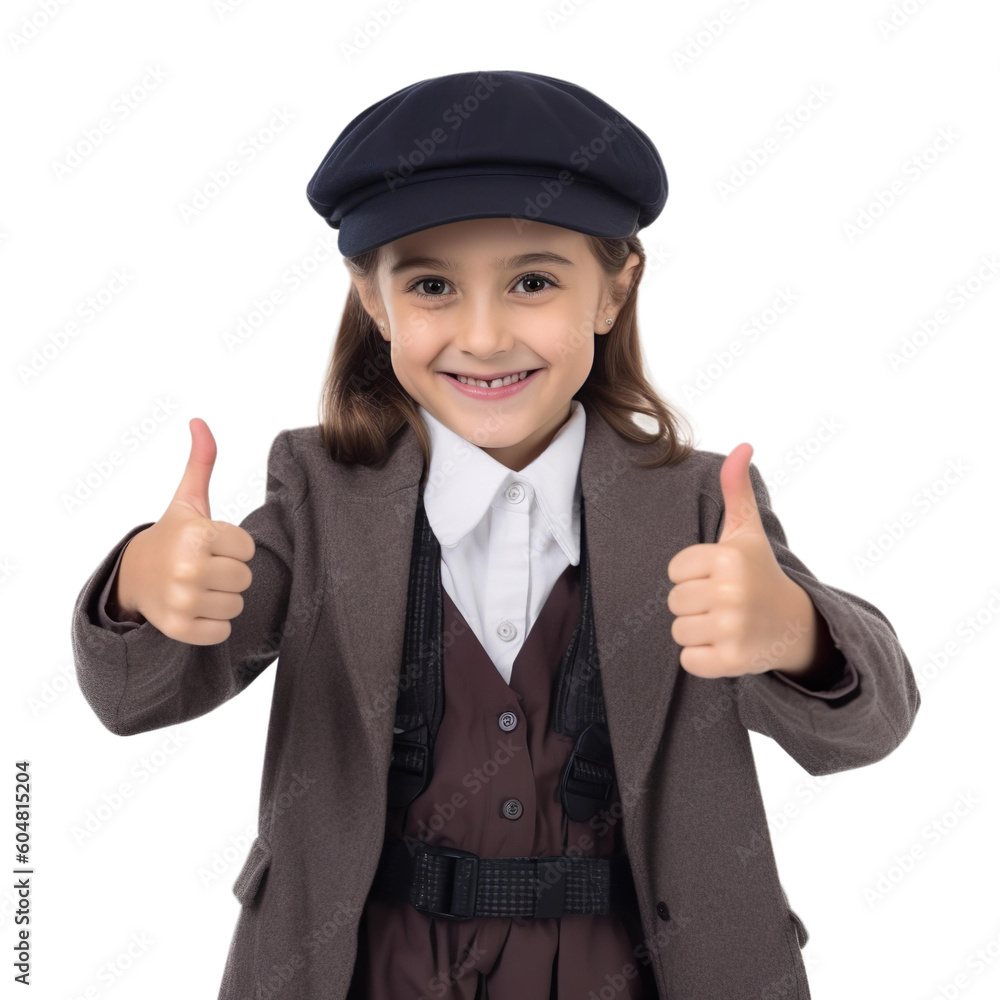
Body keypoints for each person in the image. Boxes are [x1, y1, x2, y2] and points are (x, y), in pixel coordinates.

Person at [72, 70, 921, 1000]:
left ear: (613, 290)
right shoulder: (318, 495)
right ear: (372, 299)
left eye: (532, 282)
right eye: (432, 284)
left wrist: (796, 633)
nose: (482, 336)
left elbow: (869, 727)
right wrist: (144, 590)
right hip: (366, 969)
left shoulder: (701, 507)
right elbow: (138, 696)